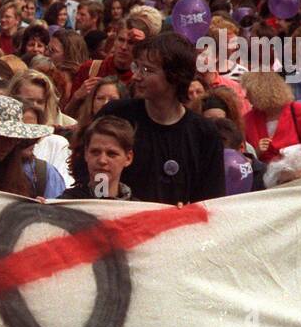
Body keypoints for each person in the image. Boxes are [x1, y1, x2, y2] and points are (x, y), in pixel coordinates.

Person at [96, 32, 225, 205]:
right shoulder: (116, 115)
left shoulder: (204, 134)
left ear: (175, 77)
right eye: (137, 67)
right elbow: (89, 174)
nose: (137, 76)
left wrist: (189, 212)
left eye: (147, 70)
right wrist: (106, 200)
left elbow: (211, 202)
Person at [242, 70, 301, 164]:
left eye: (250, 93)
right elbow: (246, 157)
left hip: (299, 172)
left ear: (262, 93)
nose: (246, 97)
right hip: (266, 175)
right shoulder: (248, 119)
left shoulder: (297, 110)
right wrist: (256, 152)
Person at [60, 115, 135, 201]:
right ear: (86, 154)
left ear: (128, 158)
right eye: (95, 152)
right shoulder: (66, 204)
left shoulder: (140, 211)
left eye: (111, 154)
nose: (102, 160)